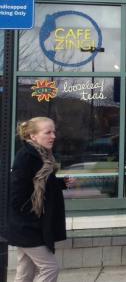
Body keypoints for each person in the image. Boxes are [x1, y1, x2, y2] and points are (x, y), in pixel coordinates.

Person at [8, 117, 72, 282]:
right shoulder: (27, 157)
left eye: (54, 132)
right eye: (48, 132)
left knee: (25, 273)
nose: (53, 136)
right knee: (50, 269)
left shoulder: (42, 156)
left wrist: (60, 183)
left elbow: (39, 185)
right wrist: (34, 218)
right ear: (33, 136)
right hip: (28, 227)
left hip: (29, 226)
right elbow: (16, 195)